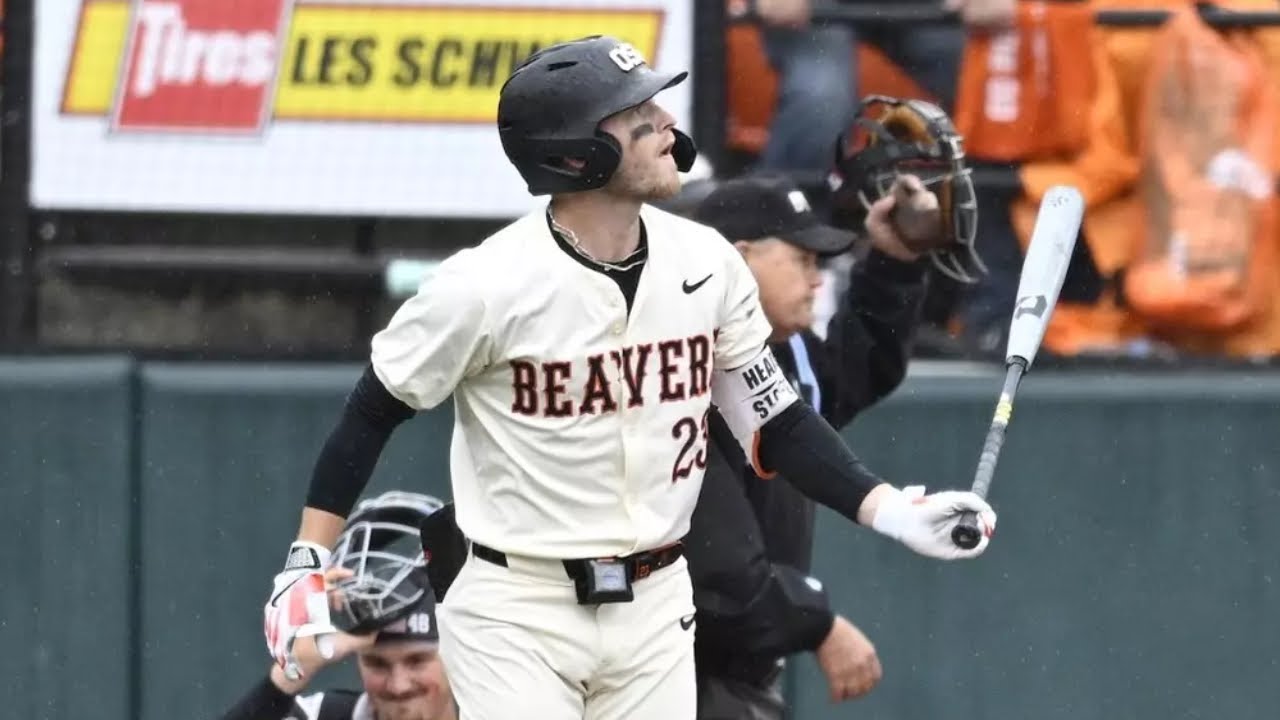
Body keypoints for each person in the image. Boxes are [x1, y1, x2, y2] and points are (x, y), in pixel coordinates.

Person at [262, 35, 997, 720]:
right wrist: (305, 560)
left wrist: (891, 511)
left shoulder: (707, 264)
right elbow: (371, 411)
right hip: (518, 600)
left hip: (654, 600)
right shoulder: (484, 285)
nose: (666, 124)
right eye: (637, 114)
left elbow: (778, 420)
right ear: (577, 154)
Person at [225, 491, 456, 720]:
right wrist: (293, 669)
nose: (398, 686)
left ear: (455, 657)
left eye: (417, 660)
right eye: (377, 663)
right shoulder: (326, 716)